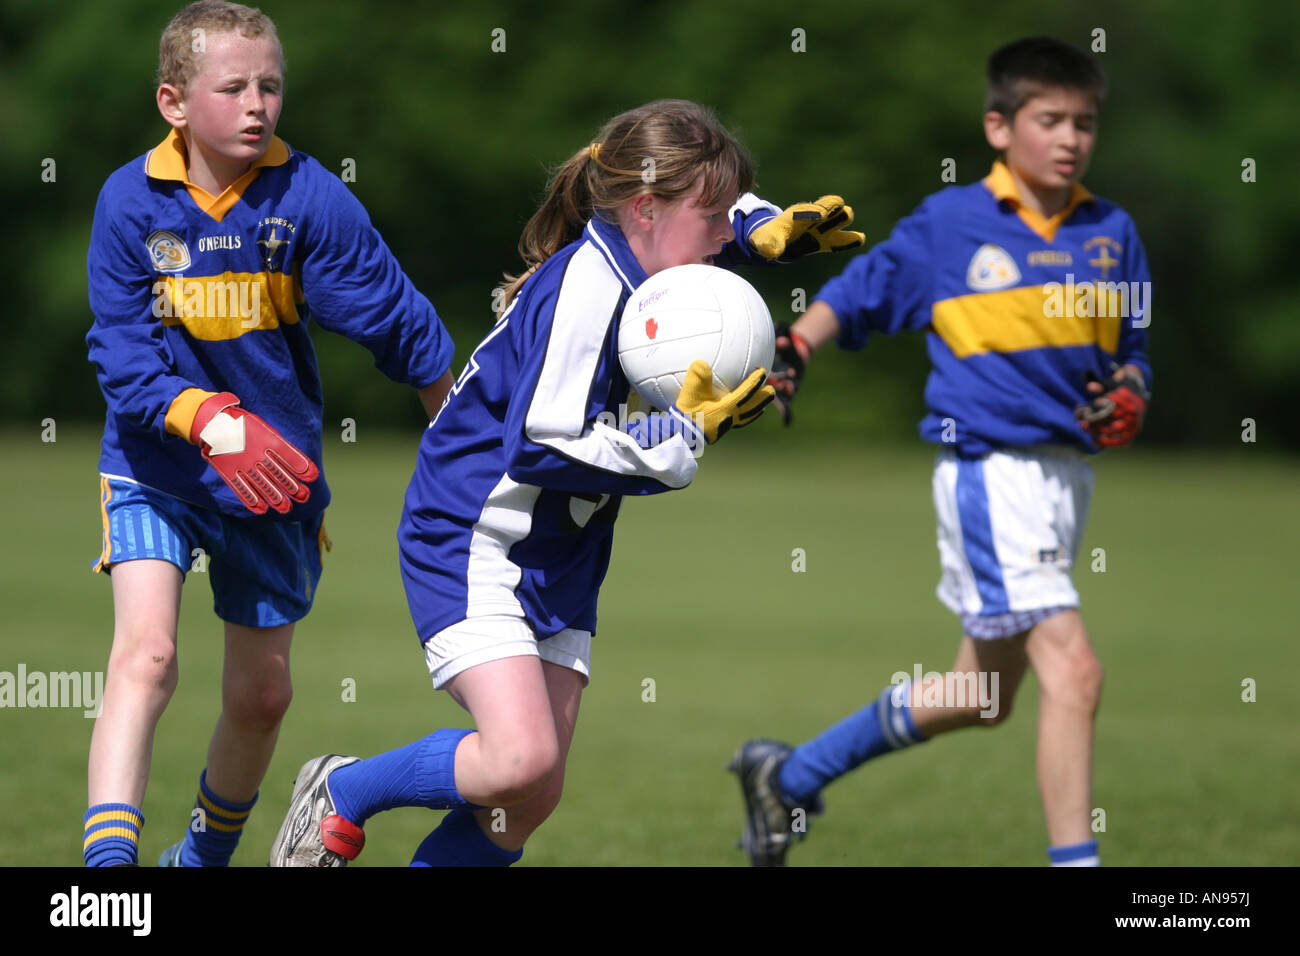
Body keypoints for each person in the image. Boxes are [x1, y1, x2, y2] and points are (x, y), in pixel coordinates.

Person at [269, 98, 864, 866]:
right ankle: (344, 790)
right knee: (519, 760)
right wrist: (682, 439)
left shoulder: (645, 246)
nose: (725, 237)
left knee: (526, 801)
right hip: (474, 533)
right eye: (716, 218)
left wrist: (758, 226)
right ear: (643, 208)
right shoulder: (587, 288)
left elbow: (696, 202)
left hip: (560, 553)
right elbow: (541, 448)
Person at [730, 36, 1152, 867]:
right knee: (1077, 671)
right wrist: (797, 350)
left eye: (1085, 123)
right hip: (991, 472)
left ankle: (788, 774)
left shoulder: (1112, 233)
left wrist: (1134, 390)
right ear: (999, 127)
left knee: (982, 695)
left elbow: (1132, 349)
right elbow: (857, 292)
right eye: (1049, 120)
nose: (1070, 138)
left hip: (1066, 483)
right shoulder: (953, 225)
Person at [83, 0, 455, 867]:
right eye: (234, 87)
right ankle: (109, 882)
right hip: (156, 468)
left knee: (263, 695)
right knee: (148, 655)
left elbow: (397, 320)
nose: (258, 104)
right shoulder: (130, 201)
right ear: (175, 102)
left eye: (272, 86)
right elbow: (123, 357)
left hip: (273, 480)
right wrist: (210, 422)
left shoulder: (307, 196)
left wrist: (458, 429)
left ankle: (201, 860)